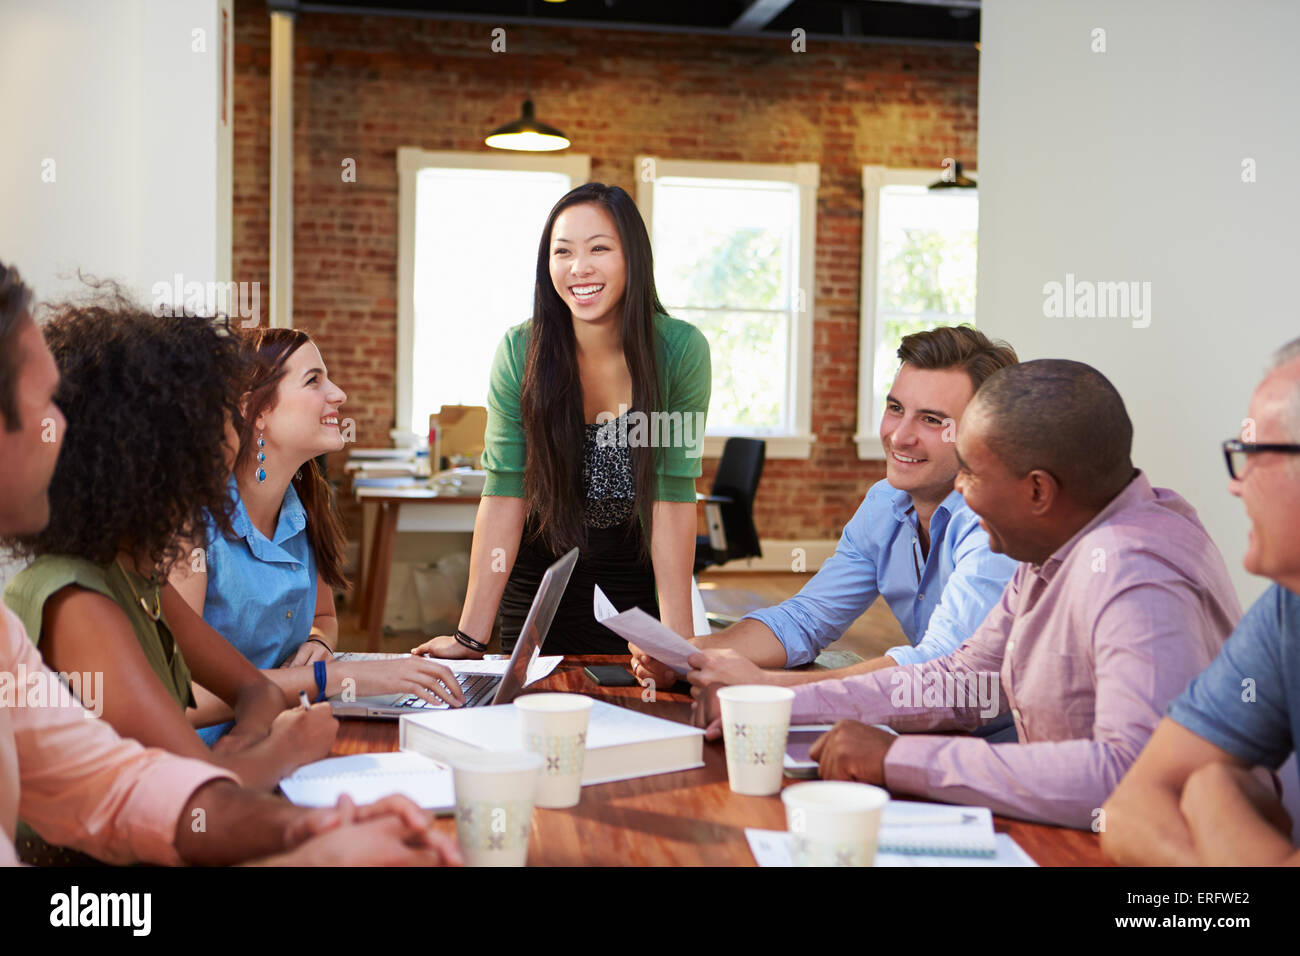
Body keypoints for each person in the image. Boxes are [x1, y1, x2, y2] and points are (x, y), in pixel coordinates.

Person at [0, 260, 460, 866]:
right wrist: (277, 757)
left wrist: (297, 806)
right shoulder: (78, 599)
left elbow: (182, 778)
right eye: (39, 401)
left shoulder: (136, 585)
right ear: (155, 454)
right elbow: (190, 797)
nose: (59, 424)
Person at [695, 360, 1241, 829]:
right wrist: (775, 698)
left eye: (973, 474)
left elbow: (1130, 778)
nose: (959, 489)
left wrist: (902, 759)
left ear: (1037, 490)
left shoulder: (1132, 574)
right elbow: (961, 678)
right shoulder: (1055, 541)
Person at [634, 326, 1019, 697]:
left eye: (932, 420)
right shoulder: (885, 505)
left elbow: (939, 665)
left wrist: (768, 687)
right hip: (935, 727)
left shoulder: (995, 524)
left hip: (1013, 744)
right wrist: (689, 656)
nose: (900, 435)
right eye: (896, 408)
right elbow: (805, 619)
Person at [413, 182, 711, 660]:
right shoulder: (520, 352)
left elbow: (671, 496)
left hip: (633, 587)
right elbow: (506, 490)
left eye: (599, 249)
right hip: (538, 584)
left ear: (633, 257)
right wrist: (469, 638)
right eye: (563, 252)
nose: (579, 267)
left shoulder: (678, 352)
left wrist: (678, 645)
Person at [170, 328, 464, 745]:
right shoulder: (192, 526)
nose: (339, 394)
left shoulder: (304, 506)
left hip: (282, 738)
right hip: (209, 766)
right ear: (256, 412)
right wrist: (329, 677)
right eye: (314, 380)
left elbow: (324, 619)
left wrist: (318, 643)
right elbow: (178, 698)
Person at [1101, 339, 1300, 864]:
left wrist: (1213, 792)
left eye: (1254, 455)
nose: (1236, 486)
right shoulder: (1288, 607)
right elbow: (1127, 811)